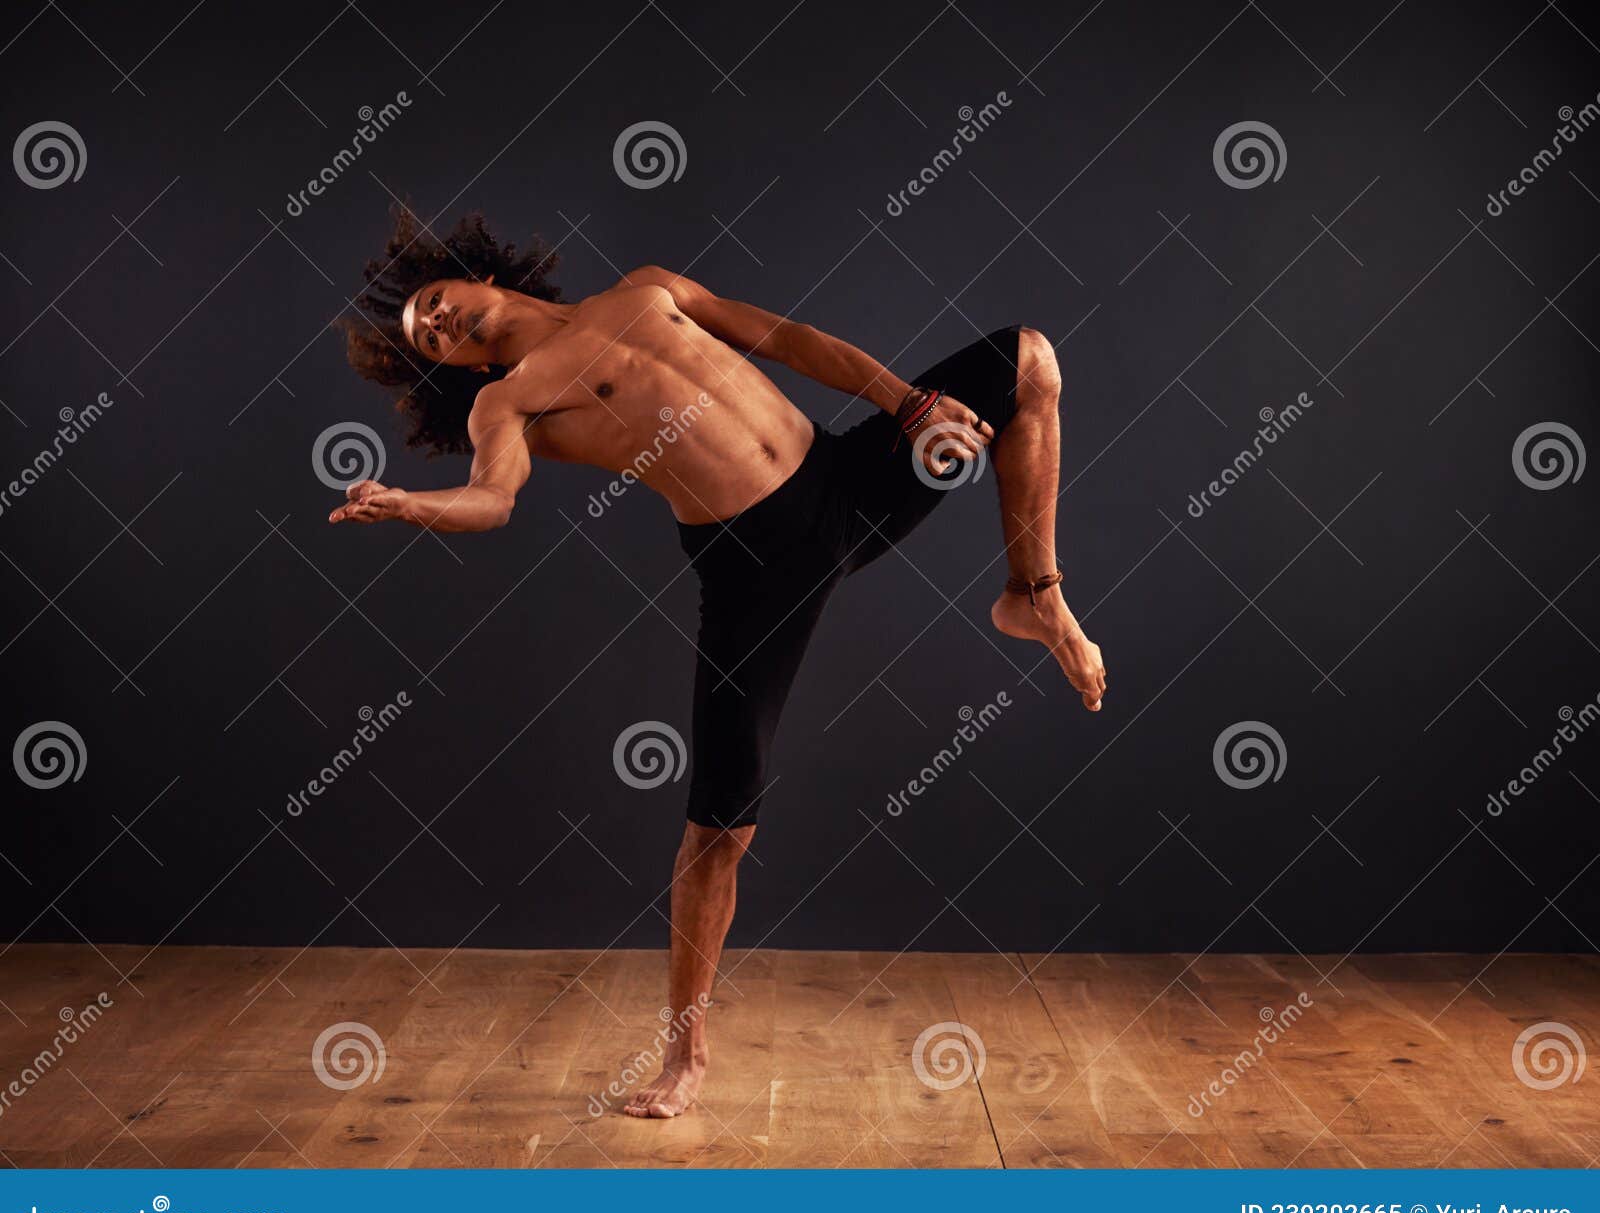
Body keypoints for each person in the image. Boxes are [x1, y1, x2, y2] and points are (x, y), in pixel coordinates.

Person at [337, 209, 1107, 1118]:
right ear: (456, 370)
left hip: (842, 479)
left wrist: (906, 402)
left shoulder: (647, 289)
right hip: (753, 568)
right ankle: (685, 1054)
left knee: (1030, 362)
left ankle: (1035, 592)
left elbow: (786, 339)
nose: (437, 324)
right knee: (718, 832)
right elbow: (491, 498)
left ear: (472, 275)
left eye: (433, 303)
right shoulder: (505, 402)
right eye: (429, 340)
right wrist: (405, 506)